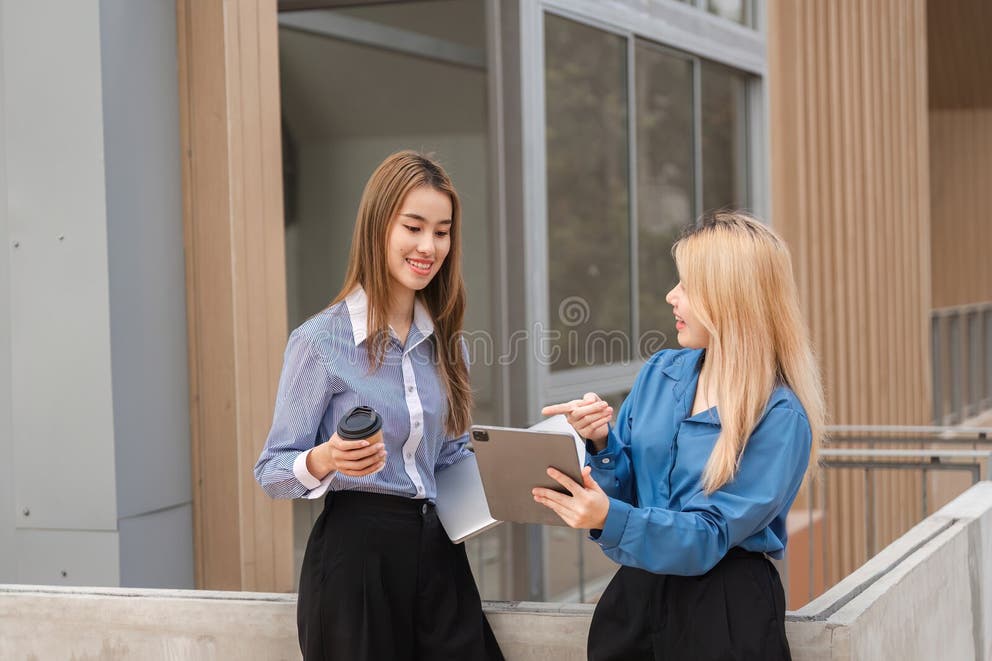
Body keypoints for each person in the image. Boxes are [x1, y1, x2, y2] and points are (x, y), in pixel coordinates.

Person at [535, 211, 824, 660]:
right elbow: (626, 493)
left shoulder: (780, 417)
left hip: (725, 614)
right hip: (634, 602)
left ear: (730, 298)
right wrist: (600, 444)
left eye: (687, 286)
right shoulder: (659, 373)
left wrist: (607, 516)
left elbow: (708, 536)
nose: (671, 296)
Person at [254, 151, 503, 661]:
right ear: (378, 226)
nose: (428, 246)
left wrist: (539, 447)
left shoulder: (448, 343)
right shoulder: (321, 341)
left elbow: (451, 459)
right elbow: (271, 469)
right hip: (356, 563)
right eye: (413, 227)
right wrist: (325, 458)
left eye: (442, 231)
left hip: (439, 553)